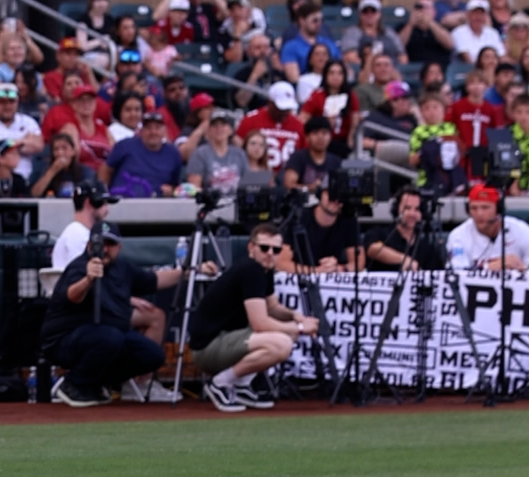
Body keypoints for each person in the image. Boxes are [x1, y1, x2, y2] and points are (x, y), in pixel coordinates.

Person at [43, 224, 191, 407]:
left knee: (153, 355)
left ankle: (98, 383)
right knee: (111, 338)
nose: (105, 249)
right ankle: (74, 384)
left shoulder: (122, 266)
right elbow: (72, 296)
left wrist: (189, 272)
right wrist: (88, 279)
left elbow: (153, 280)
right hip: (66, 340)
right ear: (89, 245)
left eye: (110, 244)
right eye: (100, 244)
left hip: (107, 334)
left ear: (119, 247)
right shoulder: (79, 267)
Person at [190, 223, 321, 412]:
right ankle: (220, 383)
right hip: (208, 347)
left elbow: (273, 307)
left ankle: (241, 385)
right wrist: (300, 328)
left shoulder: (263, 270)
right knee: (282, 343)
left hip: (224, 339)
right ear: (251, 247)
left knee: (287, 334)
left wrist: (295, 316)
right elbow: (260, 324)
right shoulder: (251, 269)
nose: (270, 253)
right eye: (264, 248)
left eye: (276, 250)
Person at [446, 184, 529, 272]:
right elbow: (457, 274)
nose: (479, 213)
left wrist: (522, 267)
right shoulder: (458, 235)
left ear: (498, 209)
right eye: (474, 208)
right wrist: (491, 267)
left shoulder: (520, 229)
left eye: (485, 207)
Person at [279, 184, 361, 274]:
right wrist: (317, 271)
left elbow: (359, 263)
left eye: (341, 195)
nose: (335, 200)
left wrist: (338, 268)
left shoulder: (348, 219)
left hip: (331, 277)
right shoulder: (298, 217)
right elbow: (281, 263)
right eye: (331, 194)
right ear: (320, 194)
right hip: (300, 278)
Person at [102, 113, 183, 197]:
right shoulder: (125, 145)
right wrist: (103, 193)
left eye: (157, 128)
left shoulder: (173, 153)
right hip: (122, 199)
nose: (153, 132)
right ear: (141, 131)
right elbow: (106, 169)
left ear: (164, 131)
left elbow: (177, 186)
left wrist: (172, 190)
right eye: (148, 128)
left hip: (156, 201)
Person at [366, 186, 445, 272]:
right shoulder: (381, 233)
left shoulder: (425, 246)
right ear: (397, 209)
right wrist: (403, 259)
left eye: (417, 209)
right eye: (407, 208)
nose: (412, 214)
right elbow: (373, 250)